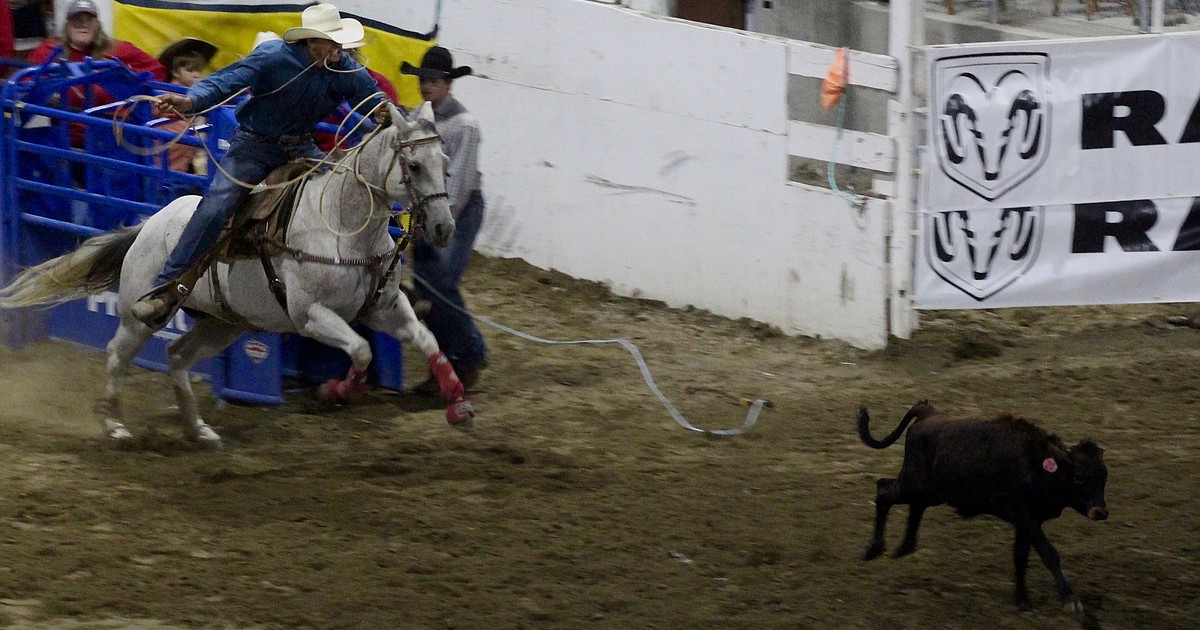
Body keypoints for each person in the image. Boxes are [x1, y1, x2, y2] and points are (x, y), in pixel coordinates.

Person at [131, 3, 390, 327]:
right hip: (254, 146)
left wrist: (382, 110)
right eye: (331, 41)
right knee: (216, 206)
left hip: (300, 146)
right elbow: (226, 81)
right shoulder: (273, 57)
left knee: (343, 198)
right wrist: (191, 101)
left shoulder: (342, 66)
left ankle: (372, 279)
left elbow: (371, 96)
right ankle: (166, 289)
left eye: (339, 41)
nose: (339, 48)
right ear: (312, 42)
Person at [400, 45, 490, 391]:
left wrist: (432, 223)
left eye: (434, 81)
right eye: (424, 80)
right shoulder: (417, 118)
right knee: (429, 284)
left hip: (460, 210)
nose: (427, 86)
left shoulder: (464, 125)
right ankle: (450, 367)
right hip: (428, 211)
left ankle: (469, 353)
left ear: (448, 84)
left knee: (440, 284)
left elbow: (461, 185)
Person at [156, 37, 217, 174]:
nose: (196, 75)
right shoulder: (165, 92)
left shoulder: (197, 94)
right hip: (169, 154)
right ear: (175, 72)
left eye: (199, 71)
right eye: (190, 71)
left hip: (186, 151)